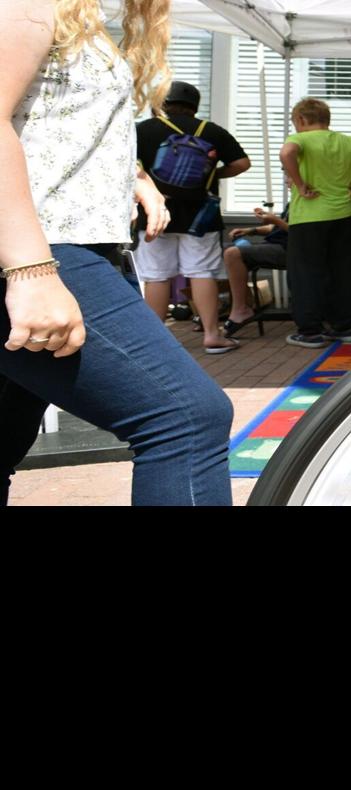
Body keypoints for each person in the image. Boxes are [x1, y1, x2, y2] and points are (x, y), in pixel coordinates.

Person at [1, 0, 234, 505]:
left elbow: (47, 121)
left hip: (55, 246)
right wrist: (30, 269)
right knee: (187, 418)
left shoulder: (75, 17)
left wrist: (135, 177)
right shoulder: (29, 4)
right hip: (40, 251)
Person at [133, 79, 250, 353]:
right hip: (201, 215)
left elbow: (126, 167)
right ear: (194, 106)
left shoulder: (144, 130)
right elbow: (242, 163)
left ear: (163, 103)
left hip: (154, 213)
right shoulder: (211, 131)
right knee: (201, 272)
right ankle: (212, 335)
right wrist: (213, 175)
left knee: (157, 276)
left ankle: (155, 343)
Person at [280, 96, 351, 348]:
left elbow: (286, 152)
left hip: (308, 218)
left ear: (301, 119)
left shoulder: (299, 139)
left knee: (306, 274)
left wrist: (299, 184)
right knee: (341, 272)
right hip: (342, 215)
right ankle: (343, 327)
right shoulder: (348, 141)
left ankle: (310, 331)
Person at [219, 205, 286, 337]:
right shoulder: (294, 201)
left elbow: (298, 232)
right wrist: (250, 230)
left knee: (232, 254)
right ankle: (243, 304)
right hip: (274, 244)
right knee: (230, 252)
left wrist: (275, 220)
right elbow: (275, 228)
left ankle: (241, 309)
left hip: (290, 249)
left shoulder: (309, 202)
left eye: (289, 181)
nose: (287, 182)